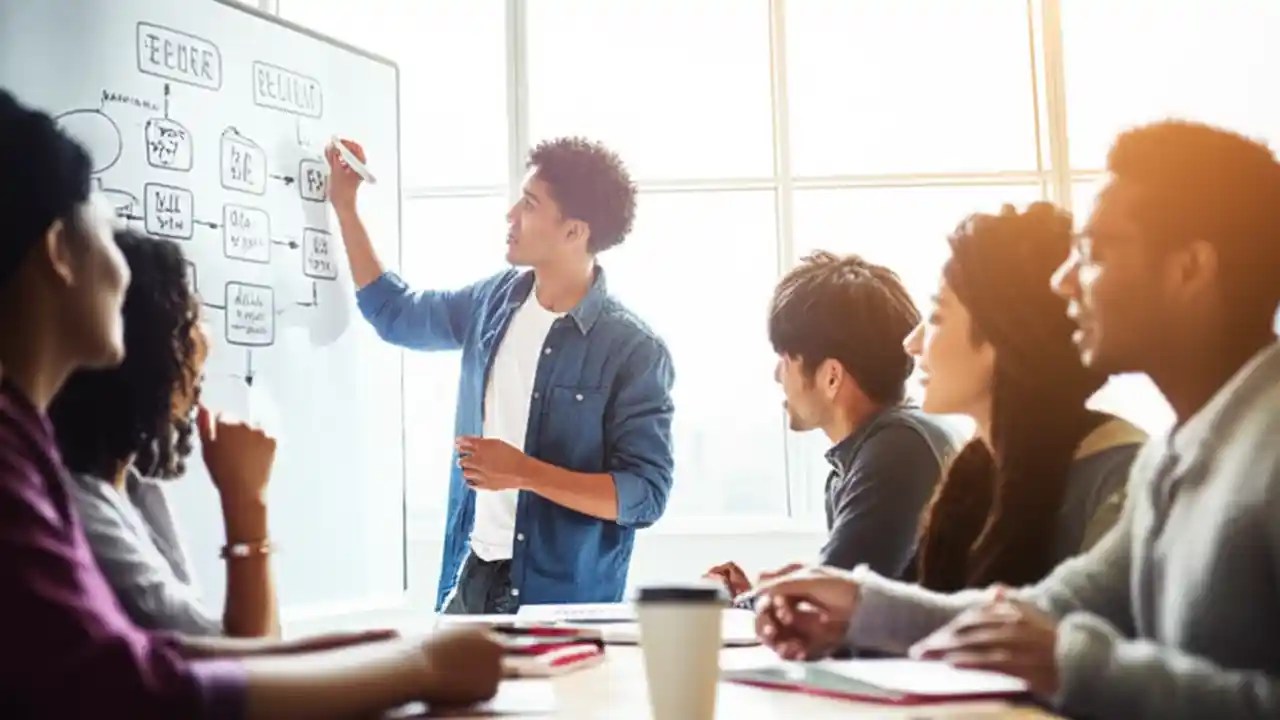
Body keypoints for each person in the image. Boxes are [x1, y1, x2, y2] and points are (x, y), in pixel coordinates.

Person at [749, 121, 1280, 720]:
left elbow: (1056, 645)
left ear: (1190, 270)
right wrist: (856, 605)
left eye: (1096, 253)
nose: (1064, 280)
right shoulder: (1175, 454)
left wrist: (1074, 667)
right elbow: (1042, 611)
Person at [0, 88, 500, 718]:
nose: (121, 271)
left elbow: (155, 651)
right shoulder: (17, 460)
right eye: (102, 229)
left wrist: (382, 646)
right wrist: (414, 667)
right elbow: (131, 682)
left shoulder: (33, 446)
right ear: (57, 254)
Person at [327, 137, 674, 613]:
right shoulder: (492, 302)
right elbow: (396, 315)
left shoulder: (634, 350)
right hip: (473, 578)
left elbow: (645, 495)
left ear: (574, 232)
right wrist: (345, 207)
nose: (511, 215)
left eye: (529, 205)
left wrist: (525, 473)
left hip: (562, 605)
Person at [904, 202, 1145, 591]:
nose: (911, 344)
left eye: (935, 318)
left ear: (1002, 339)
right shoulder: (974, 473)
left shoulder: (1121, 475)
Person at [49, 229, 277, 637]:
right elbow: (244, 659)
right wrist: (247, 501)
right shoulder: (77, 505)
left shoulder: (138, 491)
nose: (204, 339)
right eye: (186, 320)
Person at [705, 252, 957, 598]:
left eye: (786, 360)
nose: (778, 375)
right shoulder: (881, 447)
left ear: (831, 376)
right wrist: (753, 598)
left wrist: (750, 602)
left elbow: (834, 603)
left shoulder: (897, 451)